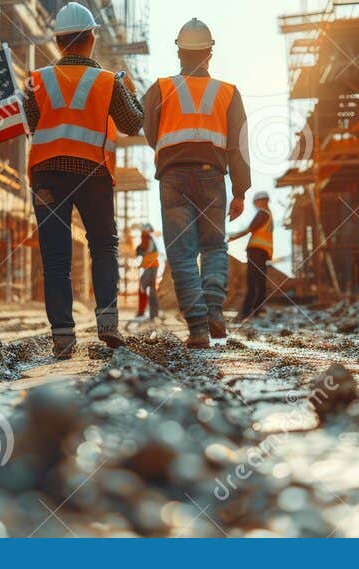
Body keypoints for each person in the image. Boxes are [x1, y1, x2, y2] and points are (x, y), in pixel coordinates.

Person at [23, 2, 143, 359]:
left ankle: (62, 336)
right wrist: (129, 90)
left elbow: (30, 123)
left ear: (59, 42)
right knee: (103, 246)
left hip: (47, 175)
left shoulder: (37, 80)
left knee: (55, 256)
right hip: (92, 173)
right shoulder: (107, 81)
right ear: (92, 38)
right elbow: (133, 124)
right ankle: (107, 323)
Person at [142, 18, 249, 348]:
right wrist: (241, 190)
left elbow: (149, 131)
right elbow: (238, 144)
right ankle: (214, 308)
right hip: (212, 176)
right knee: (214, 246)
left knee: (182, 255)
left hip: (173, 177)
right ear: (210, 53)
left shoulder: (160, 88)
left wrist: (171, 150)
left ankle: (198, 330)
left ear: (179, 52)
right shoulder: (227, 92)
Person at [229, 191, 275, 322]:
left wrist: (233, 237)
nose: (255, 205)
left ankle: (246, 313)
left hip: (256, 251)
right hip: (263, 252)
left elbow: (250, 229)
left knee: (252, 283)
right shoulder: (269, 215)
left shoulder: (263, 213)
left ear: (261, 201)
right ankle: (255, 311)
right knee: (259, 283)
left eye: (255, 202)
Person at [133, 224, 162, 321]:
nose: (142, 235)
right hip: (150, 267)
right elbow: (144, 252)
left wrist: (139, 251)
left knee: (144, 287)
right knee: (151, 290)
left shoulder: (149, 238)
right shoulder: (150, 240)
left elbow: (144, 250)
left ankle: (146, 312)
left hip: (151, 267)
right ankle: (153, 313)